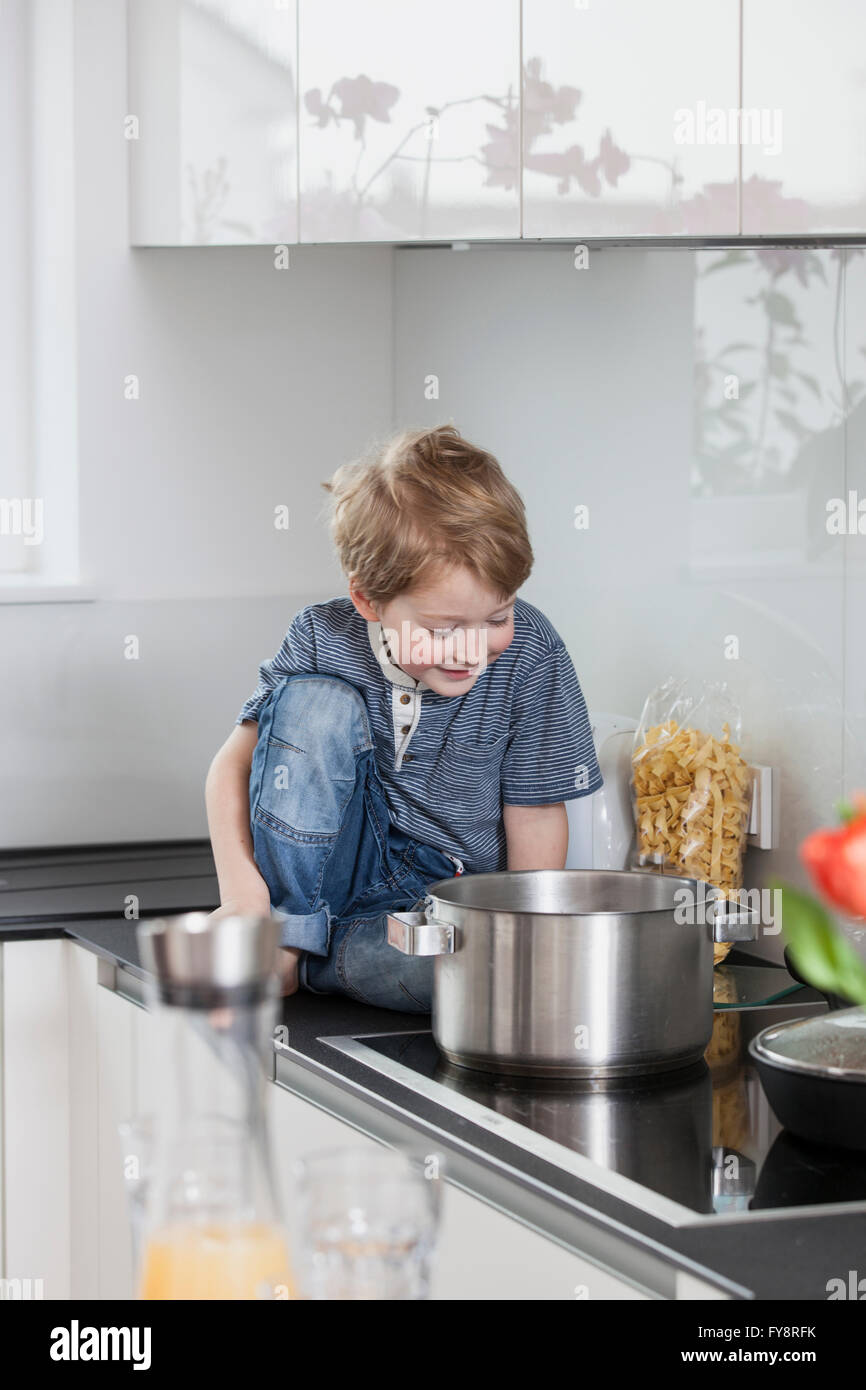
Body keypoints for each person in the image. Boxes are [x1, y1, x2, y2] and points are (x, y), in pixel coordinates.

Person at [205, 425, 601, 1012]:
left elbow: (537, 815)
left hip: (442, 906)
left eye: (496, 618)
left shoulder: (532, 655)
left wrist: (521, 939)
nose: (471, 649)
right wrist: (243, 901)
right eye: (443, 630)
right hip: (321, 875)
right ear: (368, 600)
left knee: (471, 981)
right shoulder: (321, 635)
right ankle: (287, 936)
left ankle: (317, 957)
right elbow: (234, 767)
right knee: (315, 704)